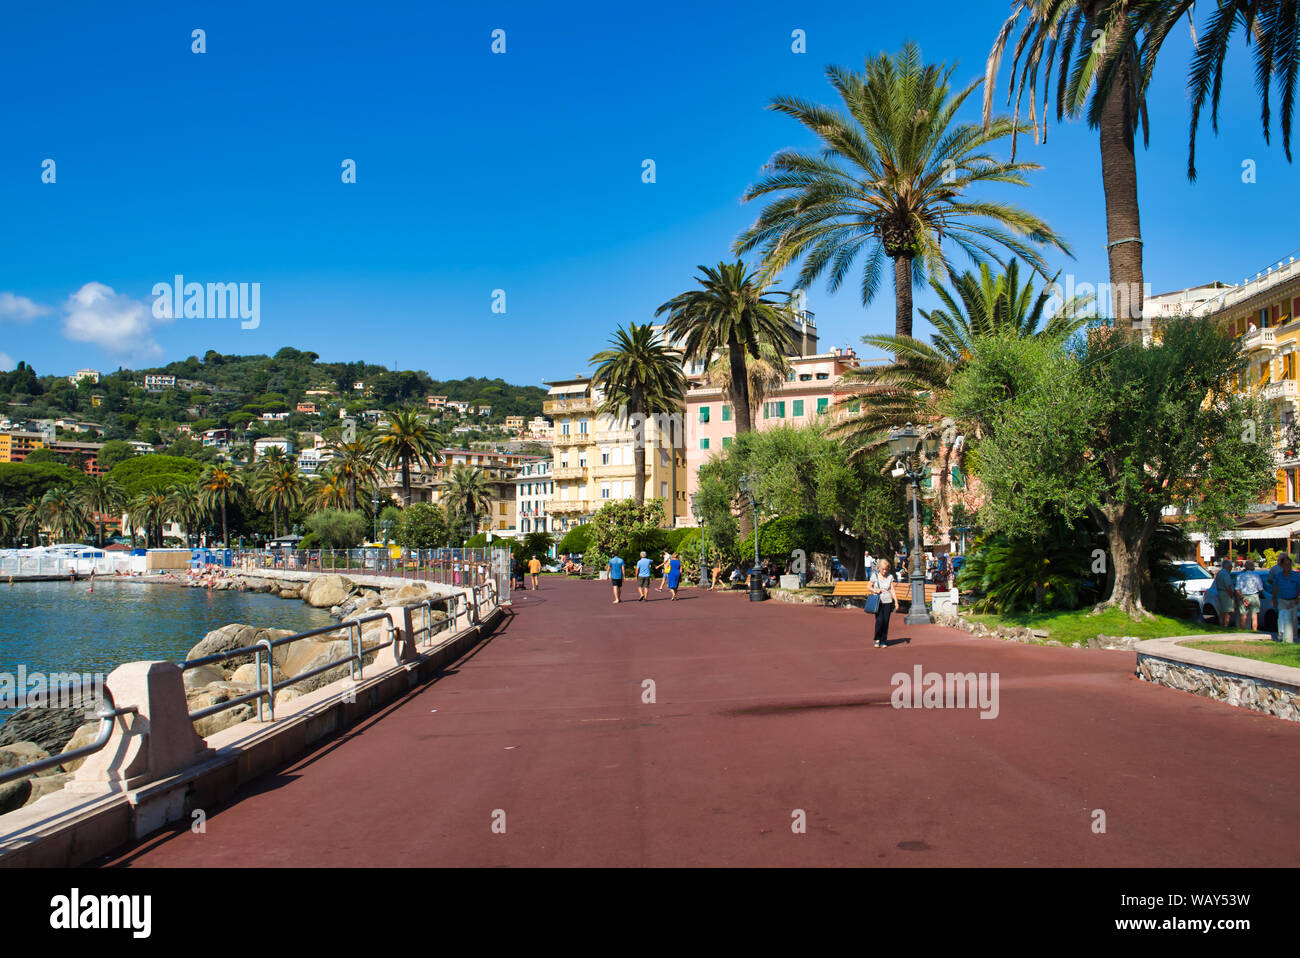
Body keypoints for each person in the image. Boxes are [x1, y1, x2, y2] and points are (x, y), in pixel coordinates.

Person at [1270, 554, 1300, 643]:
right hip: (1282, 600)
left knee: (1293, 619)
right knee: (1282, 617)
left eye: (1289, 564)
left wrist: (1298, 597)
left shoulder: (1296, 575)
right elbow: (1276, 588)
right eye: (1286, 564)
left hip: (1293, 600)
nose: (1288, 566)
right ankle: (1281, 636)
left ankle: (1293, 637)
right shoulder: (1279, 576)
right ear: (1282, 566)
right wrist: (1273, 599)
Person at [870, 559, 895, 648]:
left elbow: (892, 589)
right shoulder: (875, 576)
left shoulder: (890, 577)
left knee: (886, 622)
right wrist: (875, 590)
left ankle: (883, 640)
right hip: (878, 601)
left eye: (886, 569)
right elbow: (868, 586)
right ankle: (877, 638)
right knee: (879, 621)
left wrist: (896, 601)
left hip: (888, 601)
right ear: (879, 568)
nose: (884, 571)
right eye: (883, 569)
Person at [1237, 559, 1264, 632]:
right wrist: (1261, 594)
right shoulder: (1256, 576)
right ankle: (1255, 630)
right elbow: (1260, 588)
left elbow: (1237, 589)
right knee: (1254, 615)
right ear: (1253, 567)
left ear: (1245, 567)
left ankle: (1243, 630)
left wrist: (1242, 598)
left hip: (1244, 596)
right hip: (1254, 596)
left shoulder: (1240, 576)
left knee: (1243, 615)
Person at [1212, 558, 1238, 627]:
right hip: (1226, 594)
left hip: (1220, 592)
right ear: (1228, 566)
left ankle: (1221, 626)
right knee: (1227, 612)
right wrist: (1231, 595)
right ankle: (1226, 626)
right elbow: (1228, 587)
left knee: (1222, 612)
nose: (1231, 568)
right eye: (1231, 566)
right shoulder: (1225, 574)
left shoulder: (1219, 573)